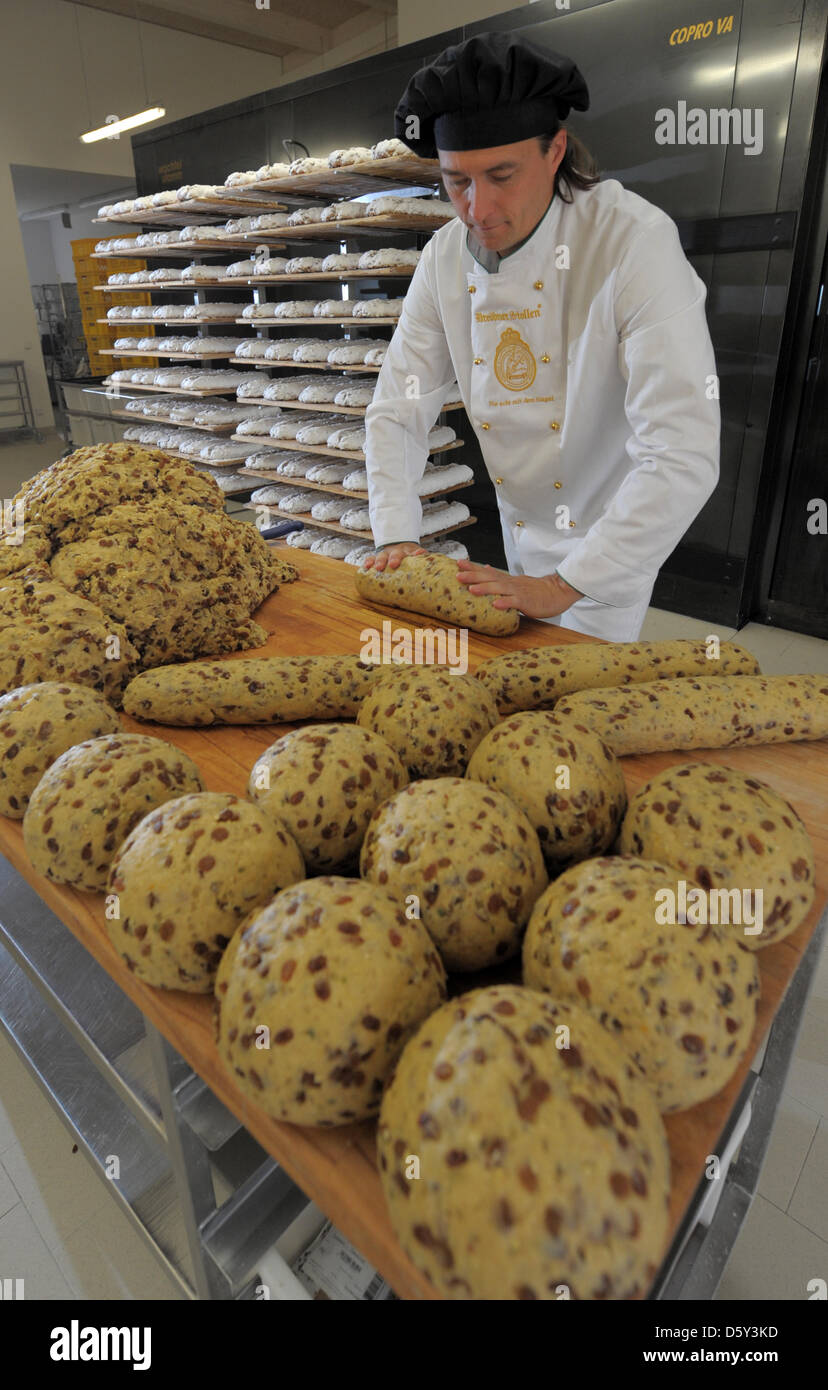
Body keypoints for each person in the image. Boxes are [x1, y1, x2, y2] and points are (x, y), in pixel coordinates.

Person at [361, 30, 721, 641]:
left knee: (585, 694)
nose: (477, 208)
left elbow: (682, 449)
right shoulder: (445, 257)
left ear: (555, 153)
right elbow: (399, 407)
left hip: (612, 537)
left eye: (501, 175)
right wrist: (396, 532)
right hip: (520, 526)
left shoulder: (631, 242)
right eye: (456, 181)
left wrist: (561, 586)